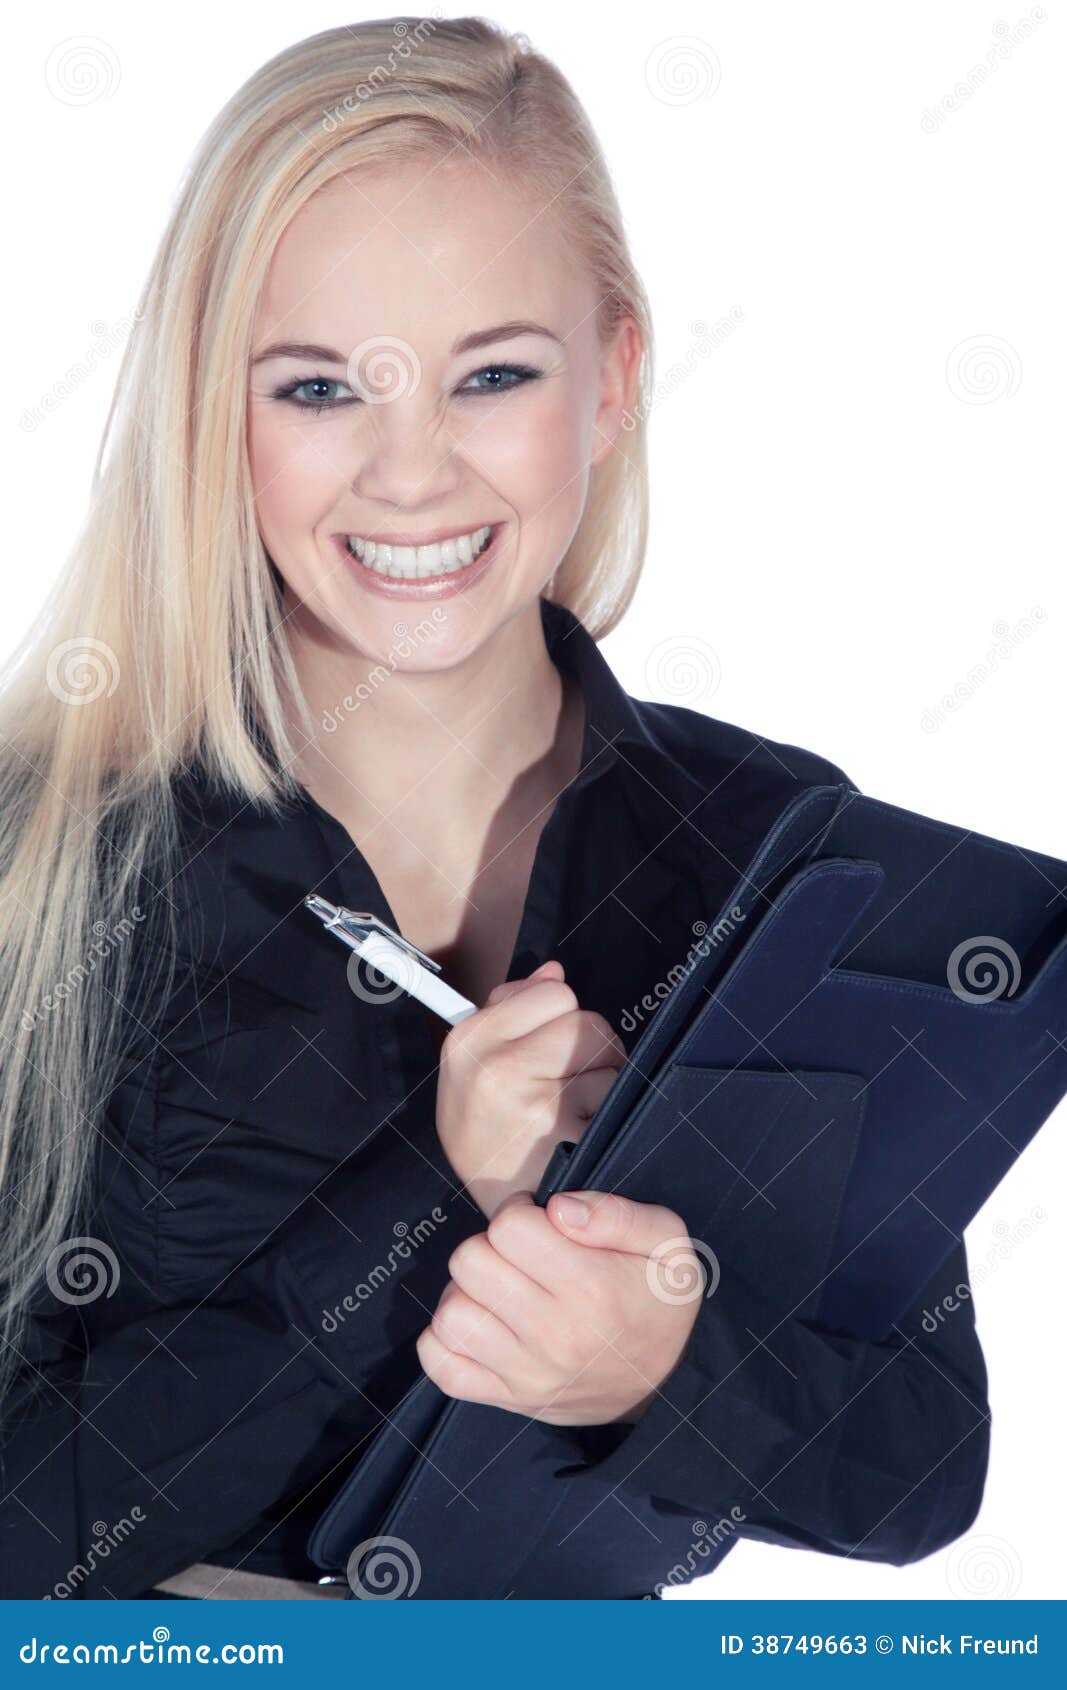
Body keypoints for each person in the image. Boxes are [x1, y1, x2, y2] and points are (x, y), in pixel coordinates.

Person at [0, 17, 989, 1601]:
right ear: (213, 412)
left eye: (492, 376)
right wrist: (425, 1208)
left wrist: (659, 1362)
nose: (409, 474)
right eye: (319, 386)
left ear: (612, 380)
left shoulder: (769, 847)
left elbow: (926, 1457)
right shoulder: (38, 864)